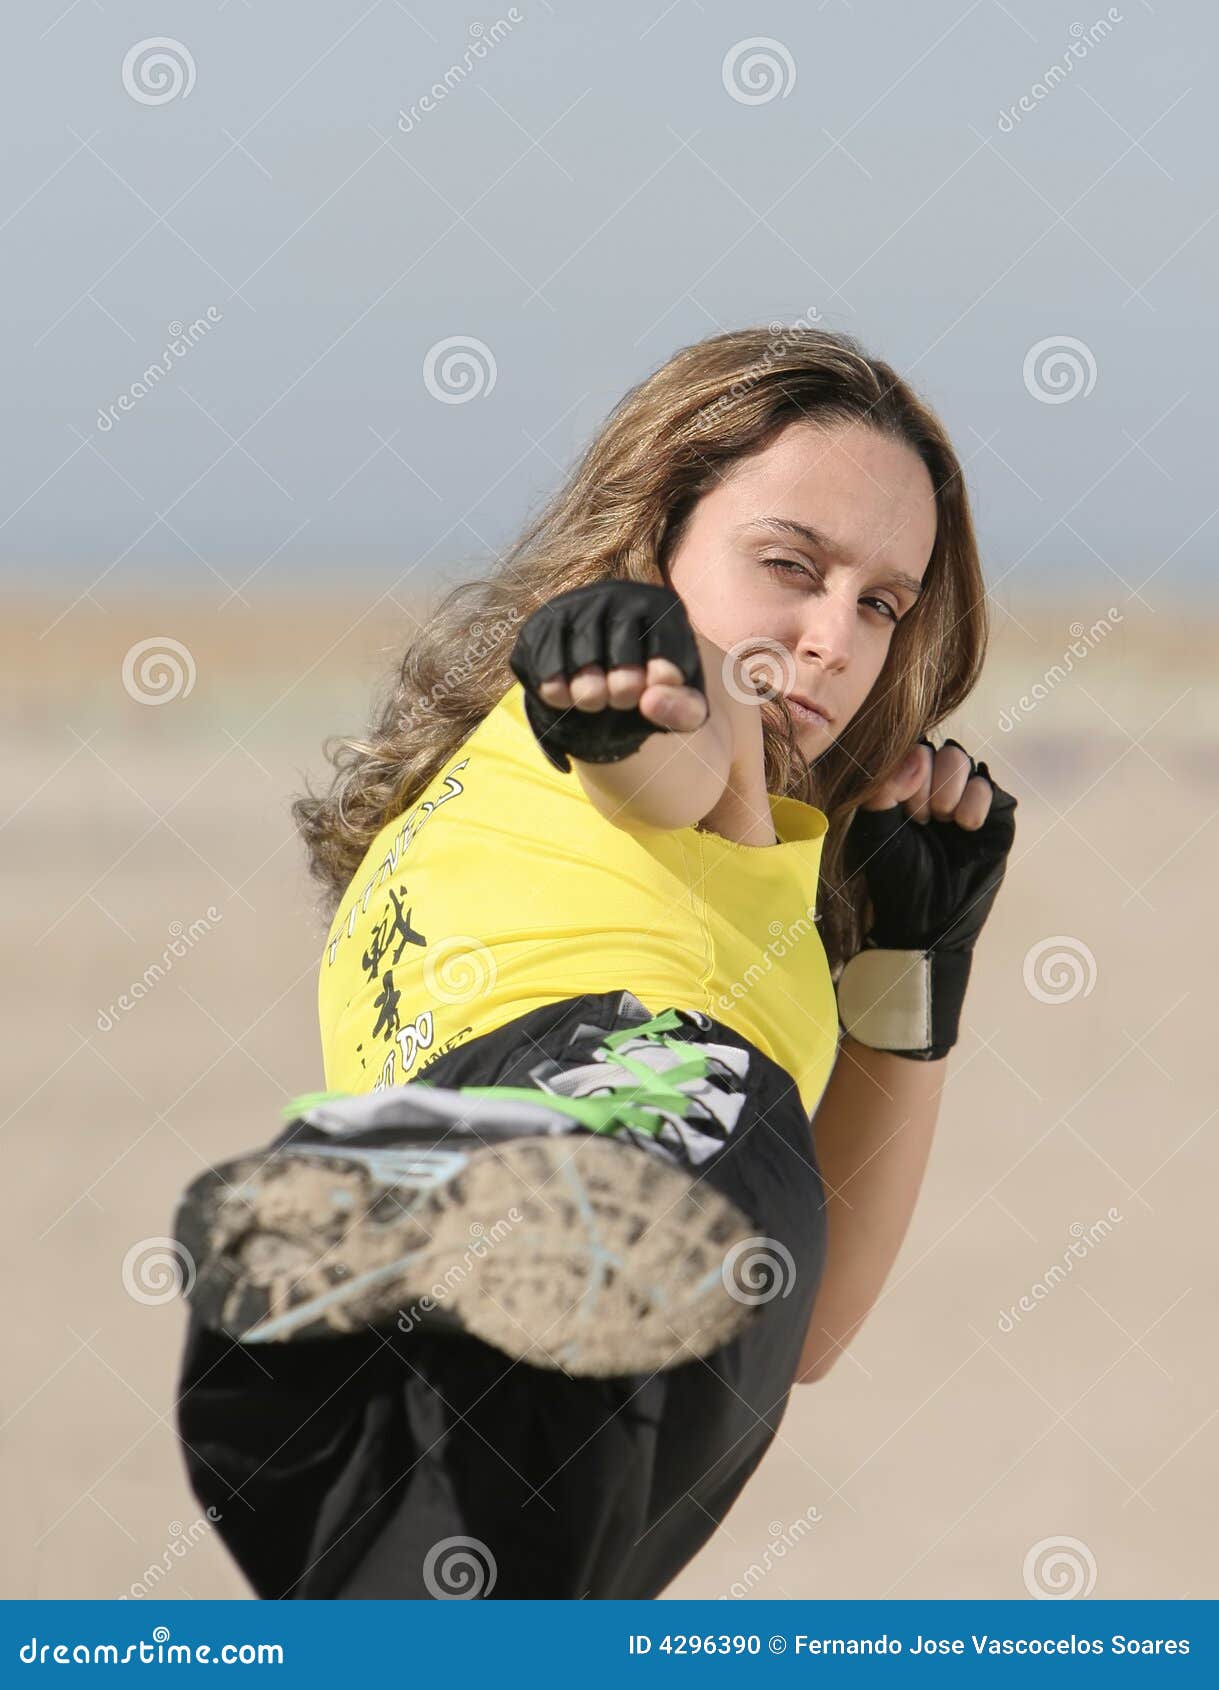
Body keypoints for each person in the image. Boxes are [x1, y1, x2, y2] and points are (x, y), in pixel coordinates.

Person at [169, 325, 1017, 1600]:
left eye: (880, 603)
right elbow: (666, 747)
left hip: (585, 1176)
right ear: (654, 532)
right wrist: (624, 688)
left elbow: (813, 1322)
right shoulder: (659, 715)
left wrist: (914, 964)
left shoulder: (698, 818)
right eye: (790, 564)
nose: (834, 638)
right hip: (591, 1123)